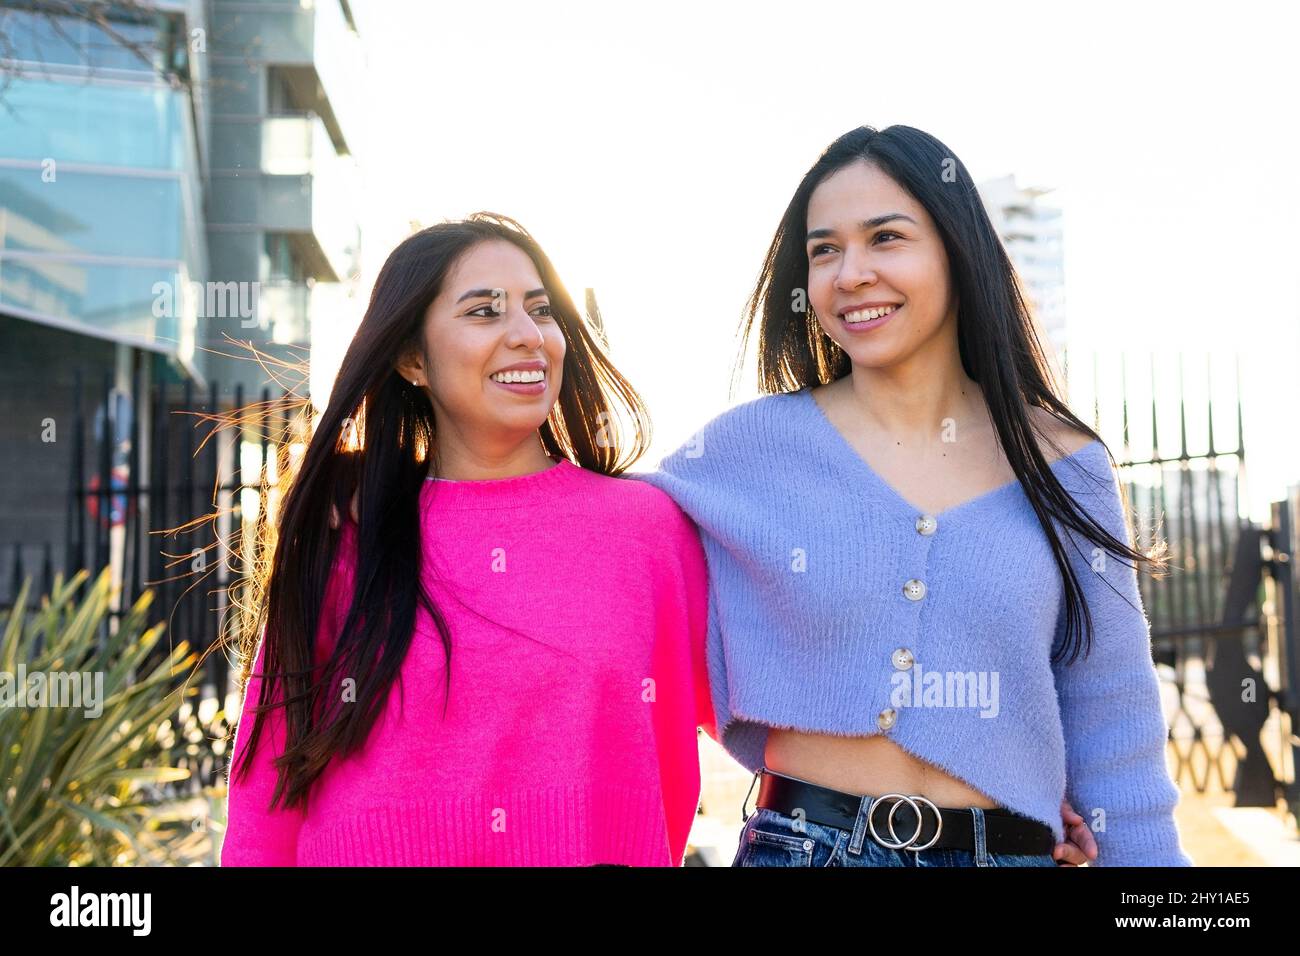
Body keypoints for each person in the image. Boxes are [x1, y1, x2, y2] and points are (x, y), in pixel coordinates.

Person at [634, 125, 1193, 867]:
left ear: (957, 253)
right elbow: (597, 559)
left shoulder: (1066, 464)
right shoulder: (743, 451)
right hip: (806, 847)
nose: (851, 273)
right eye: (824, 249)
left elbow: (1114, 722)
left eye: (886, 238)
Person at [220, 213, 713, 866]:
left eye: (541, 310)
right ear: (412, 358)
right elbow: (269, 790)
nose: (527, 336)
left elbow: (778, 713)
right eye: (484, 312)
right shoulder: (351, 531)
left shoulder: (651, 529)